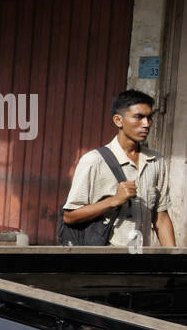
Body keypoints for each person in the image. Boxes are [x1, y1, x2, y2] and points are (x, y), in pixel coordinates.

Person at [62, 89, 176, 249]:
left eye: (149, 117)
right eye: (139, 117)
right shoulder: (94, 161)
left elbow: (161, 217)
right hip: (105, 261)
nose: (147, 124)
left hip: (140, 260)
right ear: (118, 120)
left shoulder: (156, 161)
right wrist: (113, 201)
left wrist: (174, 261)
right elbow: (70, 216)